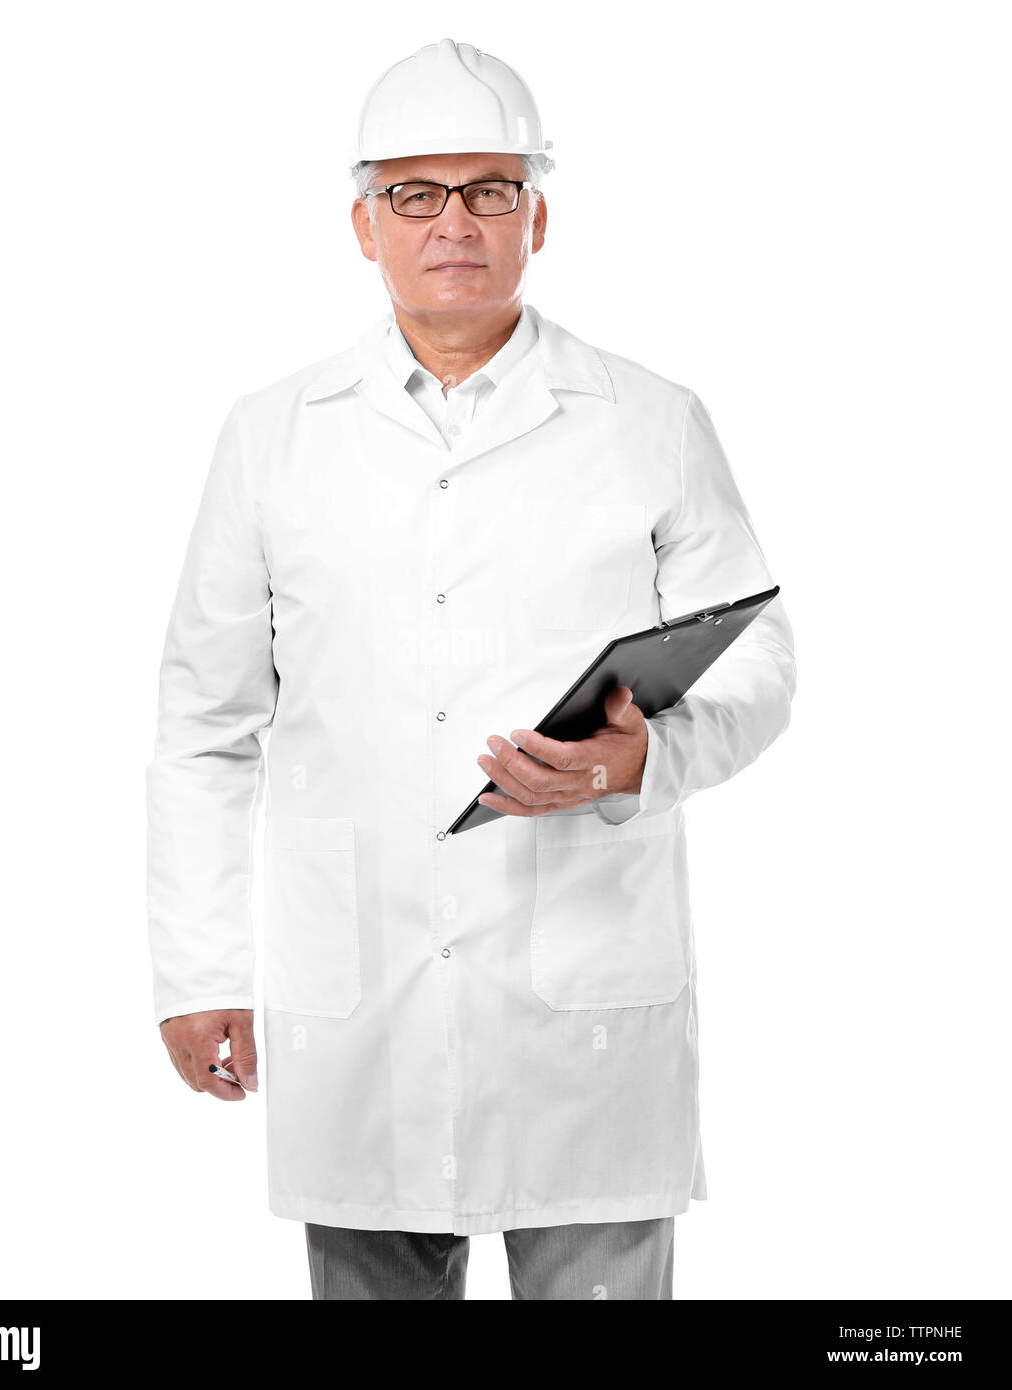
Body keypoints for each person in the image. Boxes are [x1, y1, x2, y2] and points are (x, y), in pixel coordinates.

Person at [146, 37, 796, 1301]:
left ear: (537, 214)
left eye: (491, 189)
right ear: (362, 222)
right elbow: (202, 725)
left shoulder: (651, 418)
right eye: (416, 193)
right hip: (359, 999)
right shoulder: (271, 437)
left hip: (586, 1010)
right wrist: (199, 970)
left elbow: (759, 655)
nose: (455, 222)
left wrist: (640, 756)